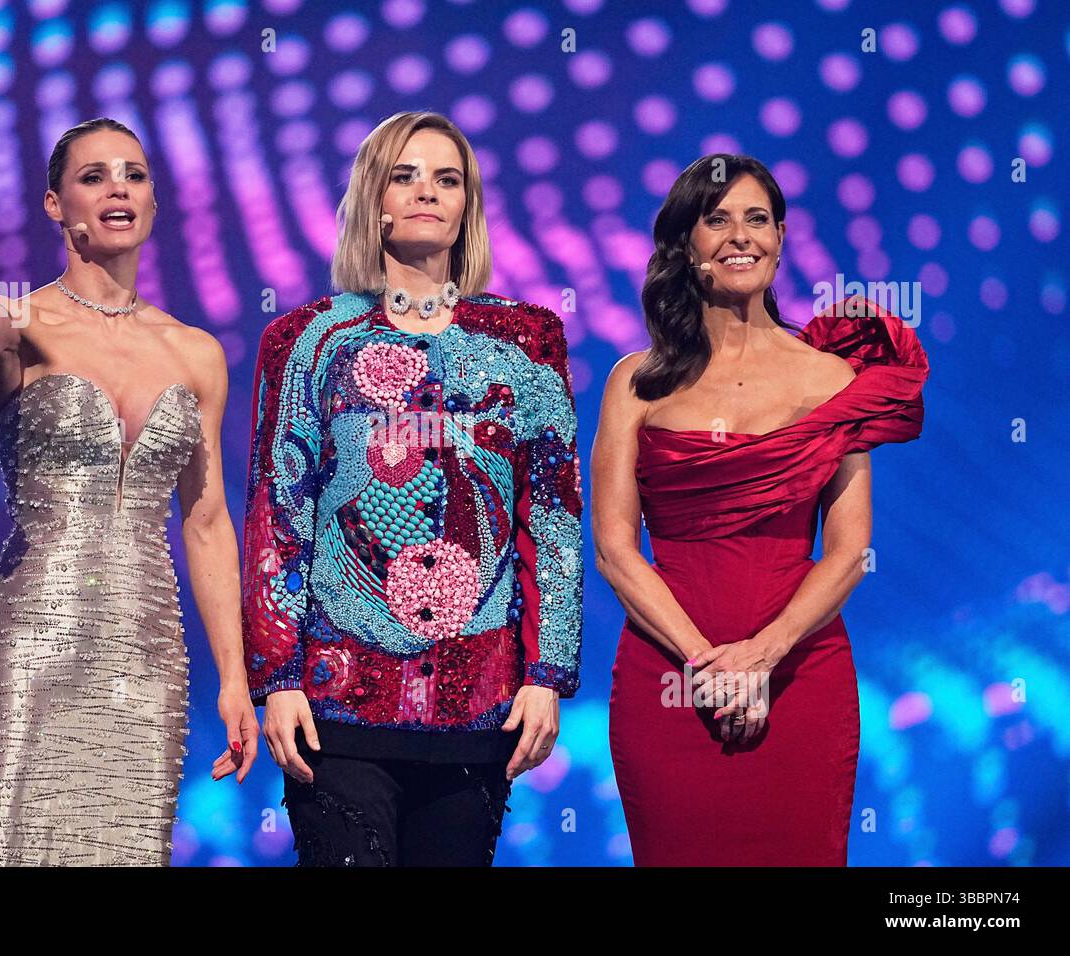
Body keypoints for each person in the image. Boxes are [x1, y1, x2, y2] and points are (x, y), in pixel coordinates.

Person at [241, 111, 583, 866]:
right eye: (405, 174)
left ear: (468, 205)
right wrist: (278, 679)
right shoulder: (305, 339)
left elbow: (553, 514)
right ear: (375, 198)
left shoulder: (526, 340)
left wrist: (548, 673)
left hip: (482, 704)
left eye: (447, 178)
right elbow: (279, 513)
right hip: (335, 703)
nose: (427, 191)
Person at [0, 117, 256, 865]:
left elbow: (206, 521)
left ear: (152, 202)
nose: (118, 188)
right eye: (94, 175)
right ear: (55, 205)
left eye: (134, 175)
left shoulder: (196, 352)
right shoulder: (21, 318)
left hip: (145, 657)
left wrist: (235, 678)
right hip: (29, 646)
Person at [594, 154, 929, 865]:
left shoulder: (835, 379)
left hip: (802, 671)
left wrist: (763, 656)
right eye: (716, 219)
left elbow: (848, 552)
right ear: (686, 244)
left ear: (780, 238)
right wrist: (705, 667)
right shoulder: (636, 381)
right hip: (669, 677)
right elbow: (615, 548)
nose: (738, 236)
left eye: (757, 219)